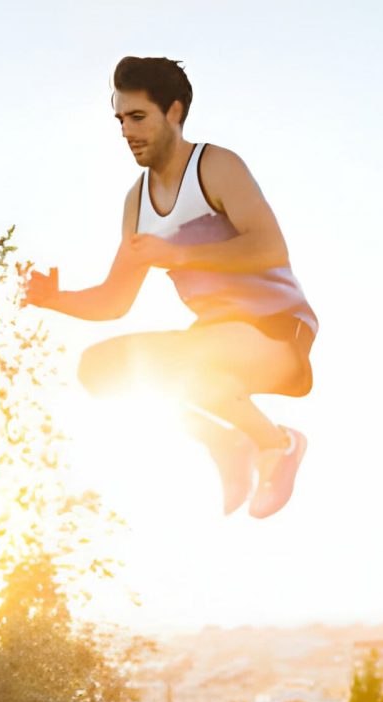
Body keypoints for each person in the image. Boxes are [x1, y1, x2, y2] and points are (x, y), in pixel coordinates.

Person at [23, 56, 318, 518]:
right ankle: (225, 442)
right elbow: (114, 301)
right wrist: (54, 300)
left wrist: (178, 254)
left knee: (191, 359)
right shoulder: (136, 202)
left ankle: (278, 444)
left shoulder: (215, 166)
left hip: (277, 331)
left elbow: (270, 247)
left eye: (138, 117)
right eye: (120, 119)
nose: (127, 131)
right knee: (100, 368)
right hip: (213, 340)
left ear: (175, 112)